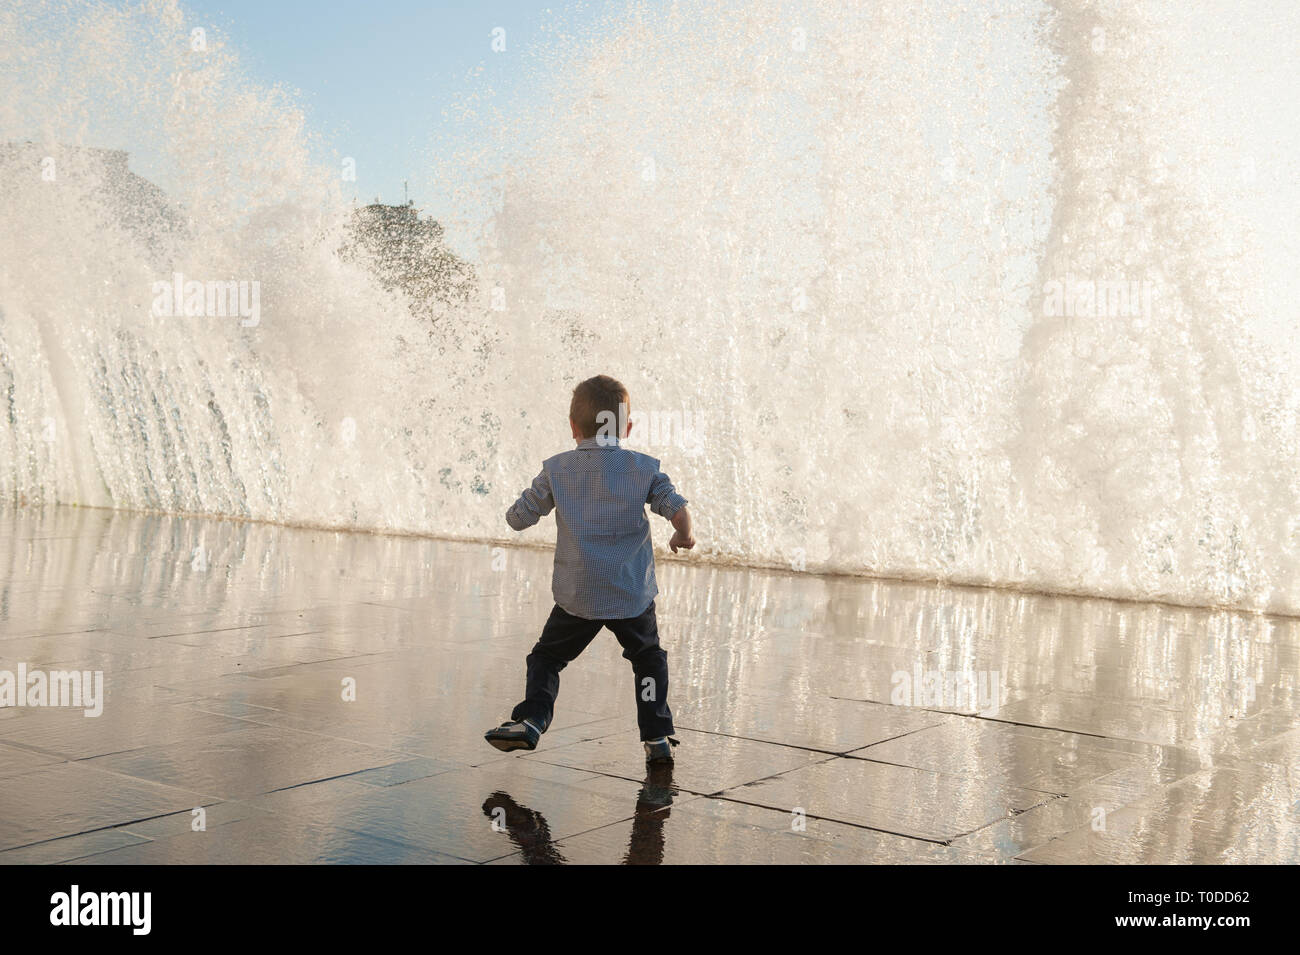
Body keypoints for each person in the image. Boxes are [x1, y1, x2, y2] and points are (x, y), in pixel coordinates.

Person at [485, 374, 694, 764]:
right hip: (630, 594)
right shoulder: (643, 468)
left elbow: (519, 517)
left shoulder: (558, 469)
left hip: (578, 593)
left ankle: (532, 720)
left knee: (547, 659)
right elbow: (675, 507)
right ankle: (657, 736)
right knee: (648, 660)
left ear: (573, 427)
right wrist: (684, 534)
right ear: (626, 428)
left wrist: (516, 511)